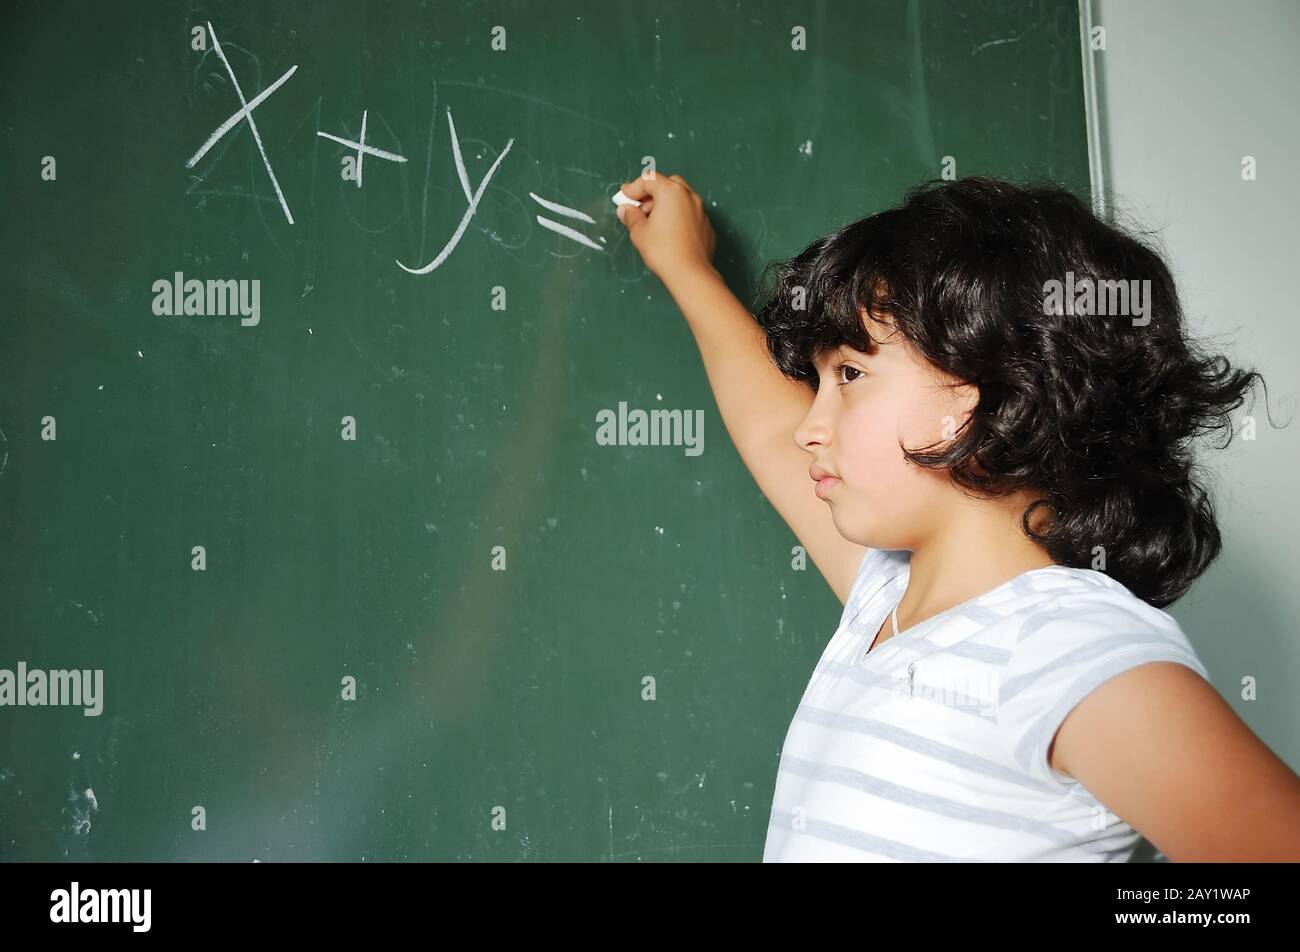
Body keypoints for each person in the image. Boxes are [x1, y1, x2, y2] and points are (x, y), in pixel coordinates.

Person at [615, 172, 1300, 861]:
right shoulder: (886, 602)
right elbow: (769, 430)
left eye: (850, 376)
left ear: (985, 392)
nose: (809, 428)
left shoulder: (1062, 641)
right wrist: (685, 266)